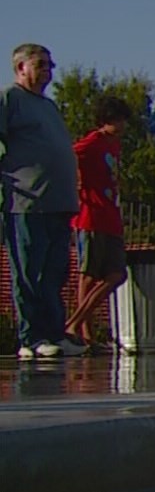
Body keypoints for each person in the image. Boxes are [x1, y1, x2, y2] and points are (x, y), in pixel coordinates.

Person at [2, 43, 84, 359]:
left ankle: (53, 332)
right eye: (40, 64)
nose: (48, 71)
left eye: (51, 65)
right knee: (28, 270)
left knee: (55, 272)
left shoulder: (49, 107)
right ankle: (30, 337)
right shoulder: (10, 99)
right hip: (27, 203)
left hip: (59, 202)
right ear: (21, 67)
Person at [63, 95, 133, 350]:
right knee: (89, 275)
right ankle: (83, 333)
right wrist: (77, 186)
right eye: (119, 120)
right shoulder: (91, 144)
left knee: (116, 274)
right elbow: (68, 156)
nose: (123, 125)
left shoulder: (113, 146)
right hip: (90, 217)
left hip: (110, 217)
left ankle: (76, 323)